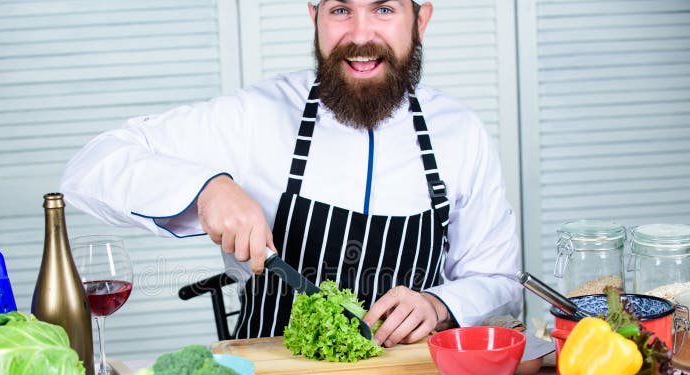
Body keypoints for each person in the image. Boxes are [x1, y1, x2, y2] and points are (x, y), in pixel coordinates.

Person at [60, 0, 523, 349]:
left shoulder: (461, 134)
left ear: (419, 22)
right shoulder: (255, 117)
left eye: (384, 8)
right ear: (315, 17)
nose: (361, 34)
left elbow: (500, 281)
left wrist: (442, 306)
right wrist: (206, 190)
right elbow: (92, 166)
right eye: (341, 9)